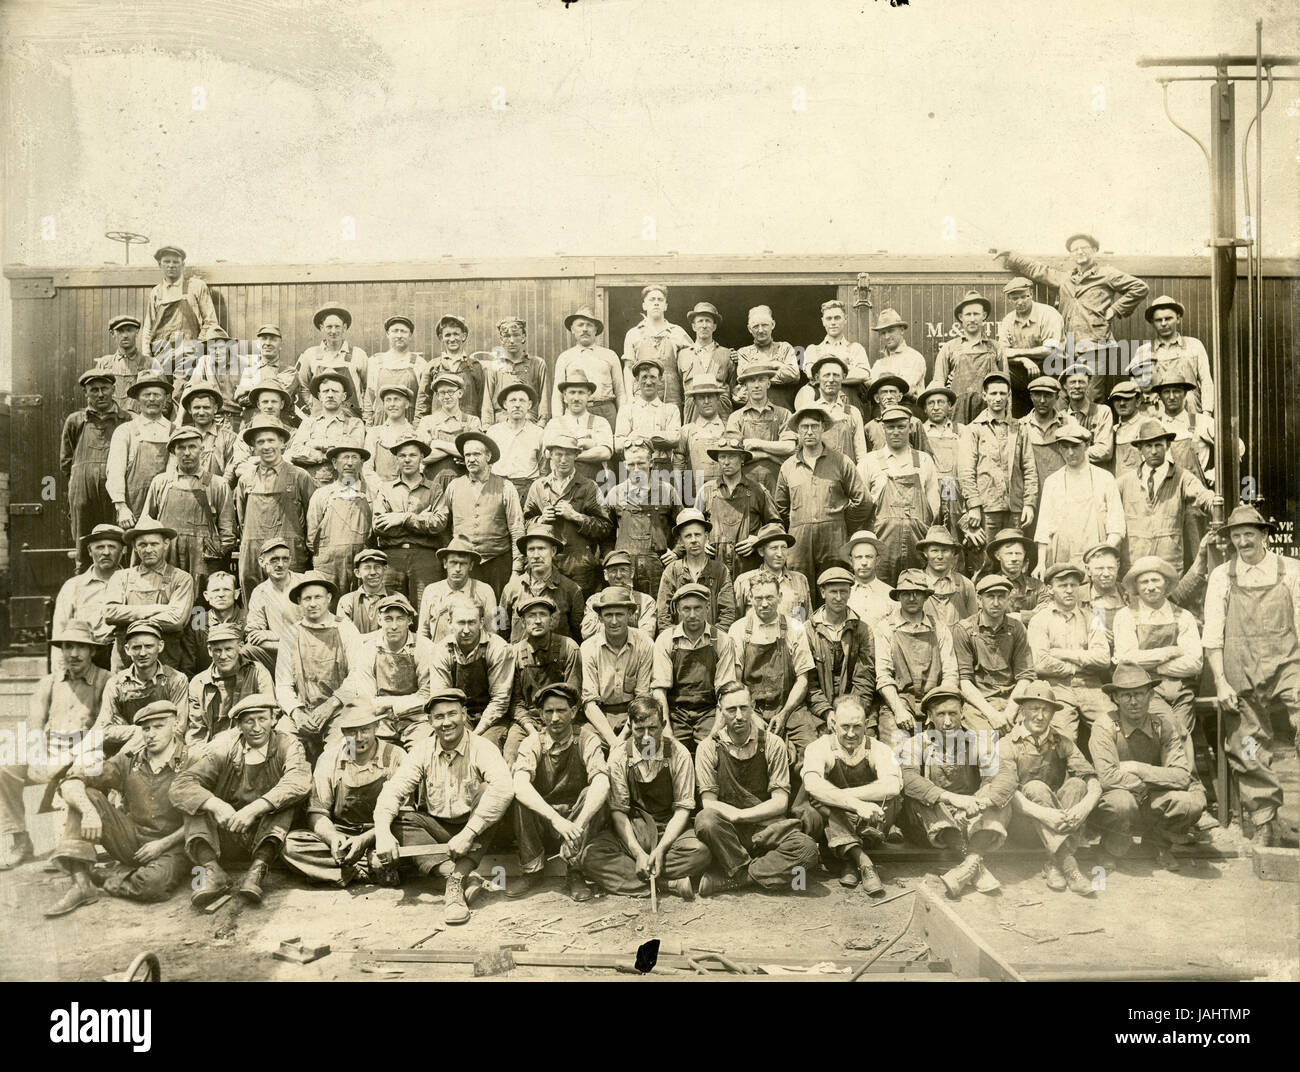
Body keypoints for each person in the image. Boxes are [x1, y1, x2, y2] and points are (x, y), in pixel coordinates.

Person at [372, 687, 514, 925]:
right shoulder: (422, 750)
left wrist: (469, 833)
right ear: (429, 721)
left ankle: (456, 881)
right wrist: (383, 833)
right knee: (398, 819)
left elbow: (504, 788)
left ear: (464, 715)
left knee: (490, 794)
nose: (446, 722)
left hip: (477, 831)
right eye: (438, 717)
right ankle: (459, 875)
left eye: (452, 714)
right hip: (440, 829)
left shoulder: (482, 747)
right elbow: (394, 789)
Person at [1203, 505, 1300, 850]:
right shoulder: (1222, 577)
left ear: (1264, 535)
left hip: (1288, 663)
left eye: (1249, 534)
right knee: (1247, 743)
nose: (1243, 541)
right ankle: (1265, 822)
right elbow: (1213, 636)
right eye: (1236, 535)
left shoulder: (1290, 570)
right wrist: (1221, 681)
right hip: (1239, 667)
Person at [44, 699, 191, 916]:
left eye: (159, 726)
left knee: (152, 885)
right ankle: (82, 884)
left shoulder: (192, 760)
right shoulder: (128, 760)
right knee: (85, 795)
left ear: (176, 724)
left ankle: (104, 877)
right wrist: (89, 811)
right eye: (146, 728)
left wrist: (162, 845)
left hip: (173, 845)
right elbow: (71, 781)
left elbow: (201, 819)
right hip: (132, 840)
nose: (150, 734)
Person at [170, 693, 311, 907]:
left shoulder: (288, 743)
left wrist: (255, 808)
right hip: (230, 831)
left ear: (274, 719)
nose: (256, 728)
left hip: (266, 836)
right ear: (238, 724)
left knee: (286, 801)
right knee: (195, 802)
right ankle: (212, 871)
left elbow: (298, 780)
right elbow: (181, 785)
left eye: (262, 719)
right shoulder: (223, 748)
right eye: (248, 721)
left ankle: (257, 870)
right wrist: (215, 805)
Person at [692, 682, 821, 896]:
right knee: (705, 820)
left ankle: (739, 877)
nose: (739, 716)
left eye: (744, 707)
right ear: (720, 711)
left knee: (807, 851)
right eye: (731, 710)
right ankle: (760, 871)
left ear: (752, 706)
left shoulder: (773, 743)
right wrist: (735, 819)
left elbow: (780, 802)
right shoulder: (708, 748)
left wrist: (742, 815)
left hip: (767, 829)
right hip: (729, 834)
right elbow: (709, 803)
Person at [0, 623, 111, 870]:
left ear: (92, 651)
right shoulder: (48, 682)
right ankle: (20, 839)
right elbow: (35, 723)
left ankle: (71, 847)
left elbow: (104, 728)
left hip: (87, 750)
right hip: (50, 749)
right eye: (67, 646)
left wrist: (68, 757)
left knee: (79, 773)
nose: (73, 654)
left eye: (81, 647)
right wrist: (38, 754)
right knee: (6, 767)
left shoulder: (106, 680)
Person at [579, 697, 711, 900]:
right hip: (635, 827)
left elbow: (682, 809)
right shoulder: (620, 755)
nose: (647, 737)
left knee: (700, 852)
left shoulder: (678, 753)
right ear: (630, 726)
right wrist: (638, 852)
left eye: (653, 728)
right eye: (640, 729)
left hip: (669, 827)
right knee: (591, 857)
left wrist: (661, 849)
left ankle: (639, 878)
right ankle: (667, 884)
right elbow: (618, 810)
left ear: (664, 725)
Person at [897, 685, 1016, 898]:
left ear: (962, 713)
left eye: (953, 713)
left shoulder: (976, 741)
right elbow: (908, 779)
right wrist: (953, 799)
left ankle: (967, 866)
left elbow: (1005, 775)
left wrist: (981, 802)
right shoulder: (917, 743)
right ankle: (974, 863)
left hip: (968, 820)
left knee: (998, 793)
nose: (948, 721)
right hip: (931, 826)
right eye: (941, 714)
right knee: (922, 796)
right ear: (930, 717)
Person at [1090, 665, 1203, 872]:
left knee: (1189, 803)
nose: (1134, 702)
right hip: (1120, 797)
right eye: (1127, 695)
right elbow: (1107, 778)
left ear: (1150, 695)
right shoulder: (1104, 726)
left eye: (1140, 694)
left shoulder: (1164, 726)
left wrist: (1138, 768)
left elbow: (1181, 776)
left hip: (1151, 798)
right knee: (1122, 804)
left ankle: (1158, 845)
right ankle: (1110, 849)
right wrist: (1152, 781)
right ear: (1115, 697)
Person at [282, 702, 407, 887]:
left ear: (376, 727)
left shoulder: (395, 756)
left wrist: (366, 840)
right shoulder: (331, 758)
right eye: (351, 732)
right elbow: (318, 812)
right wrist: (333, 838)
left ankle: (358, 865)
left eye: (365, 730)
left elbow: (405, 814)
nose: (358, 738)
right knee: (290, 845)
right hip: (343, 835)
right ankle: (359, 870)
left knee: (405, 844)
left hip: (384, 831)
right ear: (343, 732)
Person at [1112, 563, 1210, 798]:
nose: (1150, 587)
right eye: (1144, 582)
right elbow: (1126, 659)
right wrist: (1169, 652)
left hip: (1180, 689)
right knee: (1172, 729)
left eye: (1156, 581)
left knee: (1182, 729)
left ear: (1166, 584)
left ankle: (1187, 794)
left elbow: (1194, 663)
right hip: (1144, 691)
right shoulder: (1126, 616)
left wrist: (1151, 664)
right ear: (1136, 587)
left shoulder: (1183, 616)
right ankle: (1188, 789)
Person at [507, 682, 608, 903]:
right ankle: (533, 870)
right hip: (546, 822)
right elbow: (521, 784)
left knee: (594, 793)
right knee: (521, 798)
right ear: (541, 715)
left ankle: (576, 871)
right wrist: (555, 819)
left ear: (573, 712)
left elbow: (602, 782)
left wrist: (578, 824)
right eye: (549, 711)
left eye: (561, 710)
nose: (555, 718)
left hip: (577, 824)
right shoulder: (533, 742)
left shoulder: (587, 739)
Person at [797, 695, 903, 895]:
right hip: (836, 817)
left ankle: (848, 861)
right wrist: (856, 805)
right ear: (833, 724)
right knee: (820, 802)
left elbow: (893, 785)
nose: (851, 733)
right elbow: (812, 784)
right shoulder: (819, 747)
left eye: (857, 727)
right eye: (845, 726)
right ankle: (864, 862)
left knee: (832, 800)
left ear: (866, 725)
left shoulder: (878, 748)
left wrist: (848, 798)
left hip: (868, 819)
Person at [1005, 681, 1102, 896]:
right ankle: (1069, 865)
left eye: (1046, 709)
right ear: (1022, 711)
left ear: (1052, 713)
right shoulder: (1007, 743)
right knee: (1036, 787)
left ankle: (1054, 863)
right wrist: (1044, 814)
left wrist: (1085, 806)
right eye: (1034, 708)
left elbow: (1092, 778)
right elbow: (1005, 793)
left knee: (1077, 784)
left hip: (1060, 822)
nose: (1040, 716)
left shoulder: (1062, 741)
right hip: (1025, 826)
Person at [997, 233, 1150, 353]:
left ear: (1095, 250)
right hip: (1066, 347)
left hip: (1095, 346)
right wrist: (1013, 257)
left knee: (1092, 393)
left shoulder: (1107, 274)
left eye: (1084, 247)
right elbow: (1040, 271)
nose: (1080, 251)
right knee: (1066, 392)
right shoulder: (1066, 278)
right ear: (1071, 254)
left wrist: (1115, 310)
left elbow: (1140, 288)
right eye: (1075, 249)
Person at [274, 571, 367, 761]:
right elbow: (283, 684)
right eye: (307, 598)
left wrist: (331, 705)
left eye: (318, 597)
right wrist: (296, 712)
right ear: (299, 602)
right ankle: (293, 787)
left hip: (340, 709)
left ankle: (345, 783)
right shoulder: (291, 634)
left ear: (329, 598)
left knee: (347, 750)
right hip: (304, 710)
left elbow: (358, 676)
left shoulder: (345, 628)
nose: (313, 603)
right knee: (278, 741)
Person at [728, 572, 819, 766]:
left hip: (790, 707)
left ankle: (803, 797)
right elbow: (736, 683)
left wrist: (784, 714)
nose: (764, 604)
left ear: (780, 597)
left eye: (770, 597)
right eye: (758, 598)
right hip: (750, 708)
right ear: (750, 598)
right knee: (749, 754)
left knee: (812, 752)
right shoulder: (739, 630)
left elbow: (803, 679)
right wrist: (751, 716)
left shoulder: (795, 627)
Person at [776, 404, 867, 598]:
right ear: (798, 431)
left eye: (814, 426)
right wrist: (798, 525)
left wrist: (842, 522)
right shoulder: (788, 467)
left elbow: (862, 500)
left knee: (834, 588)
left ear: (823, 428)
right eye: (804, 427)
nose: (809, 432)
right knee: (799, 592)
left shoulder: (841, 461)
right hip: (799, 543)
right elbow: (781, 508)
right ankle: (801, 628)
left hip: (834, 538)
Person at [418, 430, 525, 593]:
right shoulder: (454, 486)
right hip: (465, 563)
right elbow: (445, 525)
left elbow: (517, 529)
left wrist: (516, 570)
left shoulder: (505, 487)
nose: (471, 459)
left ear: (488, 457)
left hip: (497, 564)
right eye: (467, 455)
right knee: (465, 611)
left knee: (498, 615)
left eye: (476, 454)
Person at [141, 427, 237, 596]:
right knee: (166, 598)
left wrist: (213, 557)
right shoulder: (161, 482)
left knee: (199, 605)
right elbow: (145, 524)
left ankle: (199, 623)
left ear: (202, 450)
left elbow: (228, 531)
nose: (187, 453)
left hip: (203, 559)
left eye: (192, 447)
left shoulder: (217, 484)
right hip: (168, 555)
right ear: (173, 452)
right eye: (181, 448)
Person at [1027, 562, 1113, 741]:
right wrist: (1077, 667)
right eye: (1062, 585)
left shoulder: (1094, 617)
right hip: (1056, 687)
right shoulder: (1039, 620)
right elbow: (1041, 663)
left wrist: (1061, 653)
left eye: (1073, 585)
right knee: (1061, 739)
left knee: (1113, 729)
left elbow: (1103, 658)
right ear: (1050, 589)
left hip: (1091, 687)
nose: (1069, 590)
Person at [1116, 419, 1214, 573]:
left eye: (1158, 445)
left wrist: (1214, 502)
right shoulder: (1124, 483)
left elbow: (1203, 496)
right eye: (1148, 446)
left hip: (1169, 568)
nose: (1154, 451)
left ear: (1168, 445)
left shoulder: (1182, 478)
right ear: (1139, 449)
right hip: (1135, 568)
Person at [873, 569, 959, 742]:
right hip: (899, 702)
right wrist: (899, 710)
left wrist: (938, 708)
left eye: (917, 593)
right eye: (906, 593)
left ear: (925, 596)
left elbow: (951, 674)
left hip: (935, 701)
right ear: (898, 597)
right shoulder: (885, 628)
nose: (912, 598)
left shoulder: (940, 628)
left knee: (945, 752)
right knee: (898, 752)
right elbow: (883, 676)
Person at [652, 583, 739, 753]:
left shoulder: (722, 640)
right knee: (666, 753)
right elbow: (659, 691)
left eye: (698, 608)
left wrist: (715, 731)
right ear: (678, 609)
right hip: (675, 712)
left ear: (707, 608)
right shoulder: (666, 640)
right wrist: (667, 730)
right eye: (686, 609)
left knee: (718, 751)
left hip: (709, 711)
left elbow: (726, 692)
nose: (692, 615)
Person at [861, 405, 942, 586]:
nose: (895, 432)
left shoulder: (923, 460)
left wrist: (917, 527)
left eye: (901, 426)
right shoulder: (869, 461)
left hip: (917, 545)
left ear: (910, 427)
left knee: (916, 591)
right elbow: (860, 507)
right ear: (883, 428)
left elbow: (934, 506)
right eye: (890, 427)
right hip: (882, 548)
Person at [956, 371, 1039, 548]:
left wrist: (1029, 504)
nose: (998, 398)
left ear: (1009, 395)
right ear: (984, 395)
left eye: (1002, 393)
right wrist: (974, 506)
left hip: (1015, 508)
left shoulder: (1019, 428)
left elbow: (1030, 468)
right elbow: (966, 472)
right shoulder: (974, 430)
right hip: (987, 508)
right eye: (993, 393)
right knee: (986, 559)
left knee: (1013, 555)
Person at [524, 431, 613, 593]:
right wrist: (540, 520)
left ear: (576, 456)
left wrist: (576, 516)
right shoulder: (538, 486)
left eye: (569, 454)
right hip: (547, 565)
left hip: (580, 567)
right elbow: (525, 523)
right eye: (558, 454)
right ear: (550, 455)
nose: (563, 460)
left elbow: (605, 528)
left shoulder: (589, 486)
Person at [234, 416, 315, 590]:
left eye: (271, 440)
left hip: (290, 552)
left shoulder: (300, 476)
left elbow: (312, 519)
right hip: (254, 554)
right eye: (260, 442)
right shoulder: (246, 479)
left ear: (282, 443)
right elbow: (241, 520)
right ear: (254, 447)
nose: (266, 446)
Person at [101, 519, 195, 669]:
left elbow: (176, 620)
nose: (148, 549)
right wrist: (158, 608)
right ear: (135, 547)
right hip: (125, 659)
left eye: (154, 544)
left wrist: (128, 619)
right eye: (142, 545)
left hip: (165, 659)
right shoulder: (121, 577)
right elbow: (110, 613)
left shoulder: (181, 578)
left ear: (166, 544)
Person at [62, 369, 132, 568]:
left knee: (117, 536)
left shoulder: (126, 419)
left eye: (104, 388)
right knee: (84, 539)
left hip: (115, 488)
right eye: (94, 390)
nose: (100, 394)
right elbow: (66, 461)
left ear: (113, 389)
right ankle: (83, 582)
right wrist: (82, 481)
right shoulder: (75, 421)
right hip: (83, 489)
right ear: (86, 393)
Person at [1034, 425, 1125, 574]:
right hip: (1061, 557)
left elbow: (1117, 525)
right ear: (1059, 448)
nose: (1070, 453)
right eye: (1065, 447)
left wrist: (1103, 554)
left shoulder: (1105, 478)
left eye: (1075, 446)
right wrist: (1041, 562)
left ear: (1087, 445)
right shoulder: (1052, 482)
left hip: (1096, 556)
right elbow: (1043, 527)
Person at [348, 594, 435, 749]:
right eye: (388, 619)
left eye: (400, 619)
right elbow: (367, 698)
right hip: (379, 720)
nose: (394, 626)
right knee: (354, 750)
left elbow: (427, 695)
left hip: (417, 720)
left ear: (409, 621)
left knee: (422, 753)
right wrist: (382, 708)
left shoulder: (425, 647)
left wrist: (389, 703)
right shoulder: (367, 650)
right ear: (379, 620)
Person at [950, 574, 1035, 733]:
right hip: (979, 703)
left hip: (1013, 700)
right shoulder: (964, 630)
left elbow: (1025, 676)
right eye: (990, 596)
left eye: (1001, 597)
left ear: (1008, 599)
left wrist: (1010, 711)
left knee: (1030, 739)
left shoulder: (1017, 628)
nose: (996, 603)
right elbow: (965, 681)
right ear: (979, 599)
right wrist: (992, 714)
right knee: (986, 745)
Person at [503, 595, 582, 763]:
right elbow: (515, 702)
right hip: (528, 721)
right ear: (523, 623)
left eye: (542, 615)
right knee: (511, 754)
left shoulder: (569, 648)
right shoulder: (514, 653)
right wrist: (531, 730)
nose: (537, 621)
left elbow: (574, 696)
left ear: (552, 620)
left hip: (561, 717)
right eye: (531, 616)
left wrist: (555, 721)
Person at [693, 434, 781, 582]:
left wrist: (759, 539)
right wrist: (703, 542)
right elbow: (693, 526)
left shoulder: (758, 490)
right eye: (722, 457)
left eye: (732, 456)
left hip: (749, 566)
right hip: (714, 566)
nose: (726, 462)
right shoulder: (706, 490)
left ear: (742, 459)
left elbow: (777, 525)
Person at [428, 595, 517, 741]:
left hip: (493, 720)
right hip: (457, 716)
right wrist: (459, 727)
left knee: (487, 749)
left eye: (472, 622)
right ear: (450, 623)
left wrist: (475, 735)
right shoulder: (441, 650)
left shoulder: (498, 648)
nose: (466, 630)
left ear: (481, 622)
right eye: (461, 623)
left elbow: (500, 701)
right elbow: (441, 697)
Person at [603, 437, 682, 599]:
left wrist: (676, 552)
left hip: (658, 566)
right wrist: (611, 558)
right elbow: (604, 532)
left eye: (641, 463)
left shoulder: (667, 491)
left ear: (651, 463)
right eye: (631, 464)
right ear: (625, 465)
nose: (636, 469)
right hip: (624, 568)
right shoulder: (615, 493)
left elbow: (684, 526)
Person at [371, 437, 444, 607]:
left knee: (426, 609)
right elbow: (379, 527)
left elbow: (439, 524)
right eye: (402, 455)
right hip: (392, 558)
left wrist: (402, 518)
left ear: (422, 458)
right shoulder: (385, 489)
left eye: (413, 455)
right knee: (390, 608)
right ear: (396, 459)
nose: (407, 459)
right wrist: (421, 520)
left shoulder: (434, 488)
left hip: (425, 557)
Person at [580, 586, 655, 745]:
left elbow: (642, 698)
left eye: (619, 614)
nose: (614, 621)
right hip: (601, 715)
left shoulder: (645, 643)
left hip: (635, 714)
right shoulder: (588, 648)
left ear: (629, 614)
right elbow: (589, 702)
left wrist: (621, 739)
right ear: (600, 618)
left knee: (650, 746)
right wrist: (613, 741)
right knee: (586, 744)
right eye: (608, 615)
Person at [806, 566, 876, 727]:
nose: (839, 597)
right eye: (833, 592)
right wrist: (826, 711)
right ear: (823, 592)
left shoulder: (862, 629)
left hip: (856, 708)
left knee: (868, 739)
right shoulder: (808, 630)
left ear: (850, 593)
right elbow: (809, 682)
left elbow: (865, 677)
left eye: (843, 591)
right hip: (818, 710)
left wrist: (851, 712)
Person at [187, 623, 275, 750]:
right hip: (212, 751)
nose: (223, 656)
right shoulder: (198, 683)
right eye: (217, 650)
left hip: (251, 745)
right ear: (209, 650)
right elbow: (197, 732)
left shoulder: (257, 673)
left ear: (240, 647)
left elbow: (270, 713)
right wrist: (199, 755)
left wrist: (230, 738)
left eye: (228, 649)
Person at [50, 525, 124, 676]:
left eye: (112, 547)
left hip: (124, 658)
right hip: (86, 658)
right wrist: (60, 673)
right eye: (99, 547)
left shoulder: (132, 583)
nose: (106, 552)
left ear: (123, 551)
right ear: (90, 551)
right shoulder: (73, 586)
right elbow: (60, 630)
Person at [929, 291, 1008, 425]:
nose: (972, 319)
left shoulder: (995, 348)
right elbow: (938, 384)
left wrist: (1006, 417)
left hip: (989, 413)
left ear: (984, 316)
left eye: (976, 314)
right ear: (961, 317)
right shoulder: (949, 348)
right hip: (957, 413)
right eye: (968, 314)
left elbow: (1006, 386)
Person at [106, 373, 173, 530]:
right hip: (133, 507)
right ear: (137, 398)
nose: (151, 399)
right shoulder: (125, 431)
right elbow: (115, 472)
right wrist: (121, 507)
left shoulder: (175, 431)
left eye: (157, 394)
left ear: (165, 398)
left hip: (167, 504)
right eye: (146, 394)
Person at [138, 245, 220, 370]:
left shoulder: (197, 286)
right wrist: (147, 356)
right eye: (167, 261)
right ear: (160, 265)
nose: (171, 265)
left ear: (183, 265)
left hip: (189, 356)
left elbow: (211, 322)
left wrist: (197, 347)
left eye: (175, 262)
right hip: (161, 356)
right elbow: (148, 328)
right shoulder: (156, 292)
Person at [499, 523, 585, 641]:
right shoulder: (510, 589)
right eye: (531, 549)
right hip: (519, 657)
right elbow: (499, 628)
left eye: (541, 549)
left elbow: (578, 635)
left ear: (553, 551)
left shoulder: (572, 590)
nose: (535, 555)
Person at [1130, 295, 1214, 415]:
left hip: (1190, 411)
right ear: (1152, 323)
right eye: (1159, 320)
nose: (1164, 324)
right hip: (1156, 413)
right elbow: (1135, 389)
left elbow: (1206, 381)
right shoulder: (1143, 351)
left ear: (1178, 319)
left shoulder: (1194, 345)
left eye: (1168, 318)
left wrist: (1207, 412)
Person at [306, 444, 373, 594]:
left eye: (354, 457)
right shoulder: (321, 495)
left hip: (361, 563)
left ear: (361, 463)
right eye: (345, 457)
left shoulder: (371, 494)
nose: (349, 462)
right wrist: (329, 554)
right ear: (335, 463)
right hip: (328, 566)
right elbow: (311, 536)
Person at [656, 508, 736, 633]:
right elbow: (663, 615)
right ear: (681, 541)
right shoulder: (672, 571)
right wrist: (675, 640)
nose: (693, 540)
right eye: (688, 536)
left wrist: (714, 639)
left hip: (712, 642)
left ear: (706, 536)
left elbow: (728, 612)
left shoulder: (720, 570)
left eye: (697, 534)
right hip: (679, 643)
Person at [998, 276, 1065, 417]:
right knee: (1001, 372)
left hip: (1052, 369)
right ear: (1009, 300)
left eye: (1024, 296)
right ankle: (1010, 420)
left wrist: (1019, 354)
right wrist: (1024, 360)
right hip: (1024, 372)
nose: (1020, 302)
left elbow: (1050, 350)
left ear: (1031, 295)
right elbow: (1002, 352)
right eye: (1015, 298)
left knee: (1057, 414)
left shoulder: (1048, 314)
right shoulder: (1008, 320)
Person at [288, 372, 367, 486]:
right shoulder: (308, 423)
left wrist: (313, 444)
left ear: (343, 396)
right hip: (309, 484)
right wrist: (324, 455)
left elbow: (352, 451)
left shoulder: (355, 423)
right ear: (320, 396)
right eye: (326, 391)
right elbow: (295, 451)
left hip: (343, 484)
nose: (330, 395)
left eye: (335, 391)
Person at [551, 307, 626, 427]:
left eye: (589, 325)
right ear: (572, 329)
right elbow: (557, 394)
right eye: (580, 325)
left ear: (595, 329)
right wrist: (558, 422)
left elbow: (620, 392)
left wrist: (623, 420)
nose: (585, 329)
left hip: (605, 411)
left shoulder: (609, 355)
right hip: (574, 411)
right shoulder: (565, 357)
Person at [725, 363, 795, 488]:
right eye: (752, 381)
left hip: (778, 479)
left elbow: (789, 447)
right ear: (745, 386)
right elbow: (734, 455)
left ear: (768, 384)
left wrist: (756, 443)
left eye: (761, 380)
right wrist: (767, 455)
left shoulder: (783, 414)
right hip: (745, 480)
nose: (757, 385)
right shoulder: (736, 417)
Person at [790, 354, 868, 466]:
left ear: (843, 377)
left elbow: (861, 455)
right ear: (817, 378)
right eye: (826, 375)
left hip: (846, 477)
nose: (831, 380)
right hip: (817, 476)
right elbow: (800, 450)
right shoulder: (809, 410)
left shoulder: (853, 412)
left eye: (836, 375)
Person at [417, 537, 498, 642]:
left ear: (471, 565)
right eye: (453, 563)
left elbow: (492, 633)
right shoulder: (431, 591)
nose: (458, 569)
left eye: (463, 563)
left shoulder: (485, 591)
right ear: (445, 563)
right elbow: (423, 632)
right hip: (438, 654)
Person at [918, 385, 966, 560]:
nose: (936, 407)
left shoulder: (960, 430)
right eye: (931, 403)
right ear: (924, 408)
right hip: (929, 486)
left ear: (950, 406)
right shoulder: (919, 431)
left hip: (952, 486)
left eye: (940, 402)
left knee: (953, 529)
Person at [296, 303, 367, 419]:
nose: (333, 331)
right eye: (329, 327)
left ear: (344, 327)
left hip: (351, 418)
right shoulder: (311, 354)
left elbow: (367, 387)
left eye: (337, 326)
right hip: (320, 418)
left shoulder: (358, 354)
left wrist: (364, 411)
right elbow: (303, 385)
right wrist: (311, 404)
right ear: (321, 328)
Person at [244, 538, 304, 670]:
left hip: (307, 650)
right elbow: (253, 635)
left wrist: (275, 635)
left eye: (285, 559)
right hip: (277, 654)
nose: (280, 565)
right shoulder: (260, 592)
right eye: (274, 560)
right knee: (247, 651)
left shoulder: (304, 583)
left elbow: (314, 629)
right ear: (262, 562)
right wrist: (284, 644)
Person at [545, 370, 615, 483]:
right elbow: (548, 453)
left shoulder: (600, 422)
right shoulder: (554, 424)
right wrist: (589, 445)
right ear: (564, 396)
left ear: (589, 395)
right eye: (572, 392)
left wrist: (567, 453)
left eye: (581, 392)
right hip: (562, 484)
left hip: (594, 484)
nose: (576, 398)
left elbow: (605, 453)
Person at [731, 524, 811, 624]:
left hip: (792, 638)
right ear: (761, 551)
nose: (780, 554)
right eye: (774, 548)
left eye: (784, 548)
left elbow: (807, 621)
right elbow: (735, 622)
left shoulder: (800, 580)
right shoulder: (744, 581)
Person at [616, 356, 681, 472]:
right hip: (634, 467)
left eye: (653, 377)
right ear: (637, 379)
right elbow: (618, 445)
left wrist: (637, 435)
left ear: (660, 379)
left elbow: (674, 439)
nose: (648, 382)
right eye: (644, 377)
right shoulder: (626, 410)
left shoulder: (671, 410)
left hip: (663, 467)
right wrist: (659, 438)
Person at [416, 371, 483, 482]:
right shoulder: (427, 422)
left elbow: (476, 454)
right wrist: (462, 452)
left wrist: (437, 444)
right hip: (433, 484)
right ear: (437, 396)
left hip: (465, 484)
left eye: (451, 392)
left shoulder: (472, 421)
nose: (446, 396)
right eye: (442, 393)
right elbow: (421, 458)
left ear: (460, 393)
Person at [482, 317, 550, 425]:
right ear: (501, 339)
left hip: (529, 422)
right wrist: (487, 425)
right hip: (501, 422)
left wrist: (542, 423)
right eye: (507, 336)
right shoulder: (494, 366)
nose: (512, 341)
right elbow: (487, 400)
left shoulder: (537, 364)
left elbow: (544, 399)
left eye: (516, 335)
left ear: (523, 337)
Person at [362, 314, 426, 427]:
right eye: (395, 331)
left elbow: (423, 400)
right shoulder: (375, 361)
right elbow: (369, 395)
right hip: (381, 421)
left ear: (410, 335)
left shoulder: (419, 363)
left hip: (409, 421)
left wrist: (417, 425)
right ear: (388, 334)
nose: (399, 335)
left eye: (403, 331)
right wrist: (368, 424)